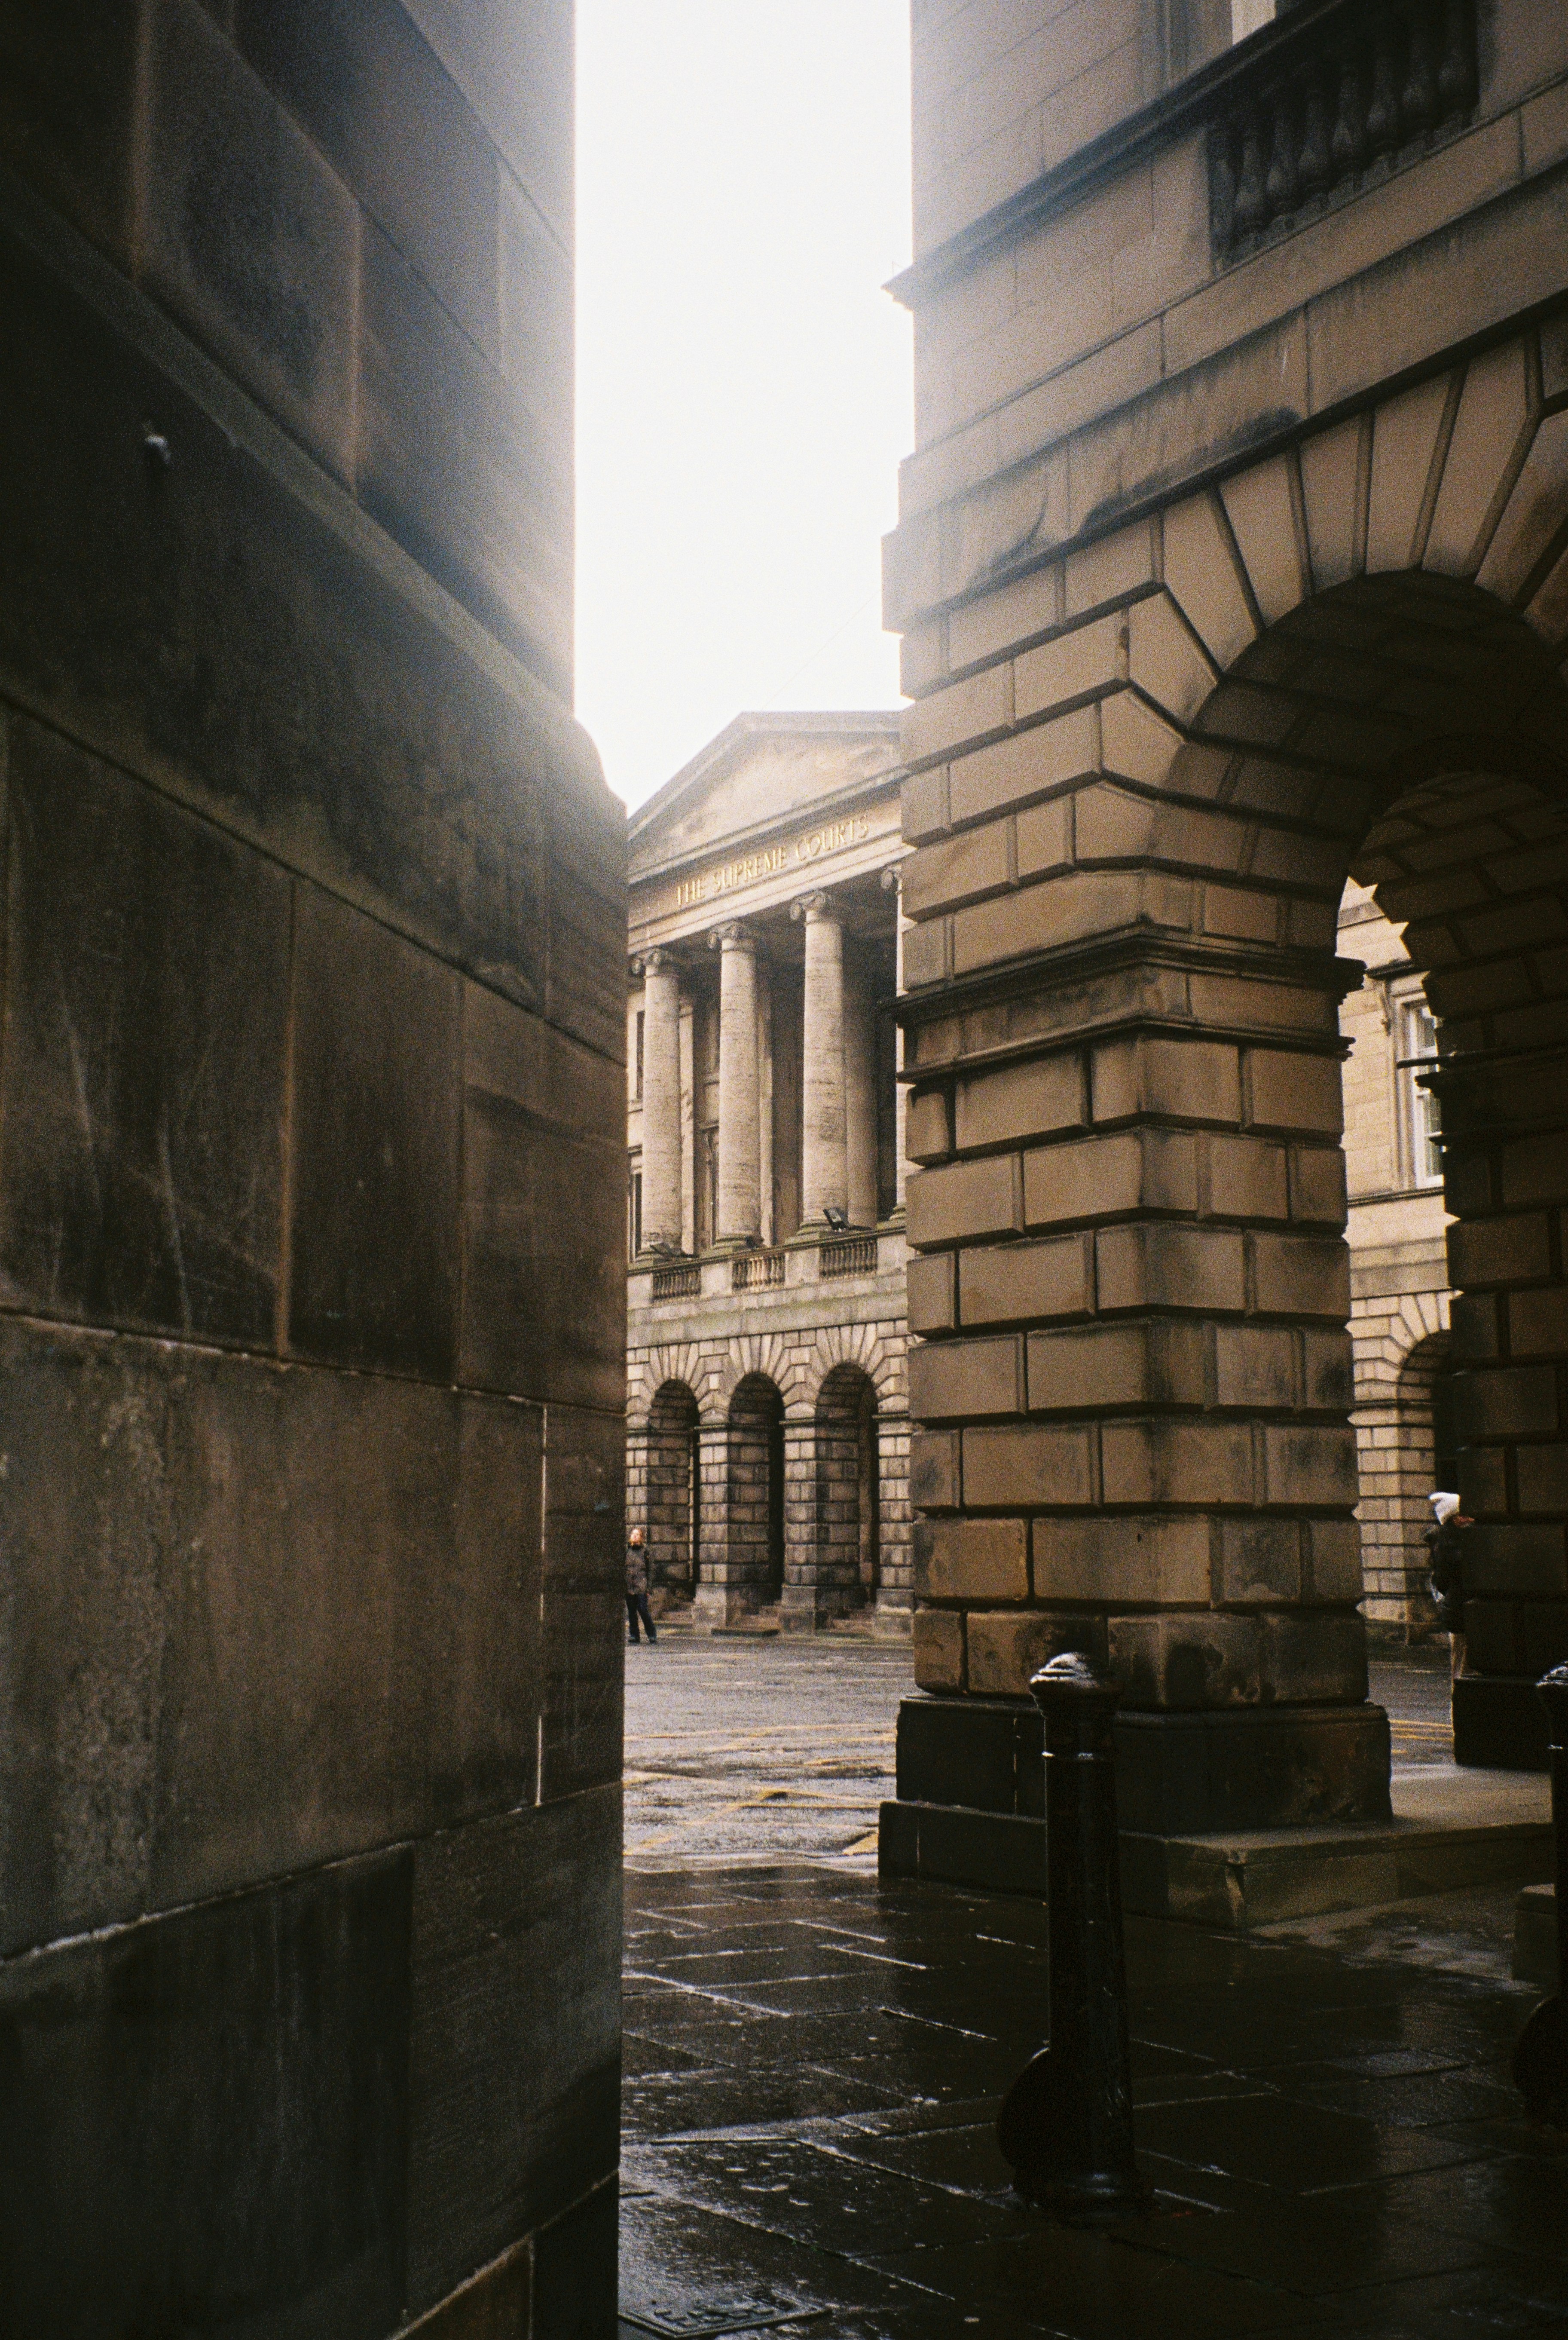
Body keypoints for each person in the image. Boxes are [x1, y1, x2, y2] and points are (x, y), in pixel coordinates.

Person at [1426, 1490, 1471, 1678]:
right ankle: (1458, 1698)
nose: (1470, 1518)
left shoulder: (1450, 1540)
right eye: (1464, 1514)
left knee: (1461, 1656)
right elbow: (1443, 1578)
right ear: (1456, 1518)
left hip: (1456, 1603)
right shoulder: (1449, 1543)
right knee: (1462, 1657)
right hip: (1458, 1604)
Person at [627, 1525, 658, 1646]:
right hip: (629, 1585)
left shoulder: (646, 1551)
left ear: (641, 1538)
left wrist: (649, 1588)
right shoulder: (627, 1550)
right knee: (631, 1612)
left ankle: (652, 1634)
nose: (635, 1536)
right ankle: (634, 1635)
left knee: (643, 1610)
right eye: (633, 1534)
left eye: (638, 1535)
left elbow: (651, 1570)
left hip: (641, 1585)